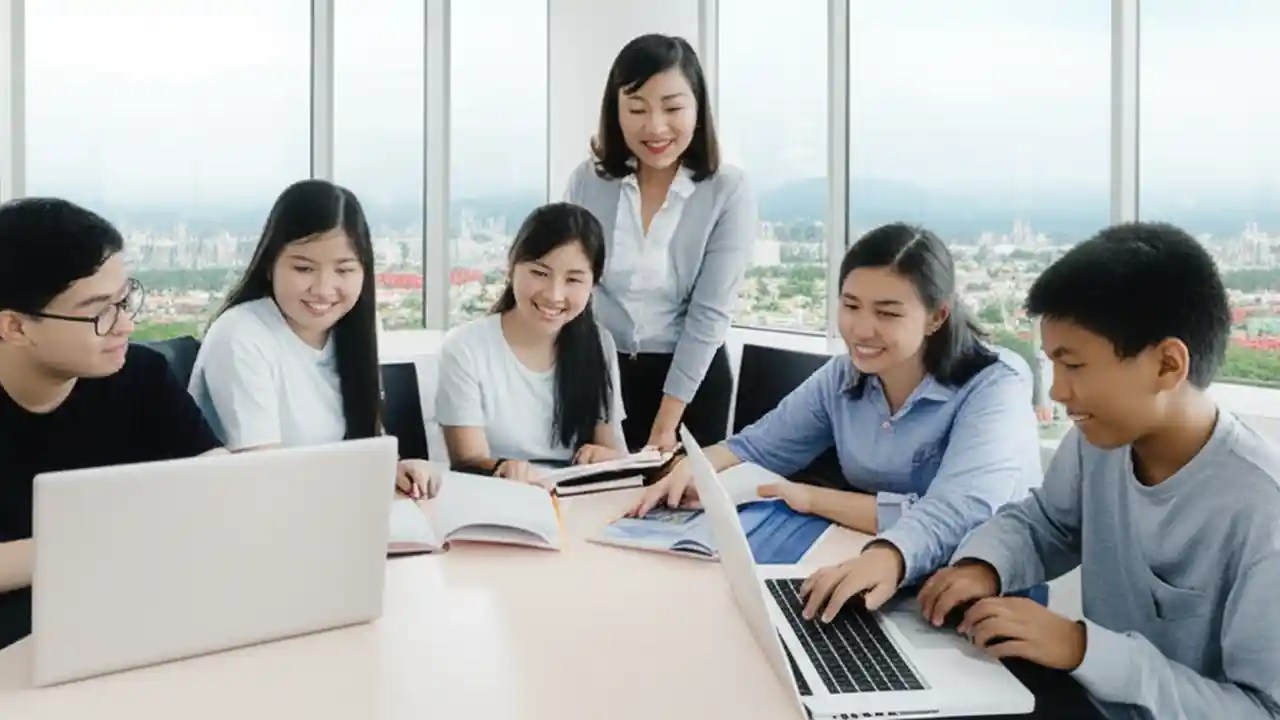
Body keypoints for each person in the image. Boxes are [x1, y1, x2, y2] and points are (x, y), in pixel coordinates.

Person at [906, 222, 1280, 720]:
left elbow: (1262, 710)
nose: (1058, 391)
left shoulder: (1262, 509)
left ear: (1168, 365)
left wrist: (1083, 649)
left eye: (1074, 366)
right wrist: (984, 566)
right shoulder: (1101, 440)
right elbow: (1046, 523)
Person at [633, 223, 1042, 613]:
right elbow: (757, 445)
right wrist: (693, 470)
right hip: (876, 570)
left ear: (937, 317)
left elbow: (960, 511)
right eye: (850, 306)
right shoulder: (845, 375)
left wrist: (817, 501)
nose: (861, 329)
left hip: (980, 593)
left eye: (887, 313)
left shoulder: (994, 383)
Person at [0, 198, 223, 648]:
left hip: (137, 618)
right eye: (99, 310)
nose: (125, 324)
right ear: (15, 328)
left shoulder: (141, 374)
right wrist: (106, 543)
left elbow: (220, 485)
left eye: (125, 299)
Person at [564, 33, 756, 452]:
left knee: (678, 510)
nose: (654, 127)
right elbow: (571, 287)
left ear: (698, 109)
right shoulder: (588, 181)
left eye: (672, 108)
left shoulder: (728, 190)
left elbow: (708, 315)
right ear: (615, 113)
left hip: (690, 385)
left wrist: (667, 423)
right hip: (600, 379)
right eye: (636, 109)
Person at [189, 180, 436, 499]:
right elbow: (263, 474)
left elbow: (361, 444)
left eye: (344, 270)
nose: (323, 288)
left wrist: (394, 469)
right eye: (304, 268)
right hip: (245, 518)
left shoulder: (353, 328)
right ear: (270, 265)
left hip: (320, 512)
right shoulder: (241, 334)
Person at [435, 203, 627, 486]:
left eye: (573, 279)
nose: (554, 295)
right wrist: (504, 468)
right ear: (512, 267)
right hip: (499, 498)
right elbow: (467, 461)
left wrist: (605, 458)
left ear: (593, 285)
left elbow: (614, 451)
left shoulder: (599, 344)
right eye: (539, 273)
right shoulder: (465, 348)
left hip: (578, 501)